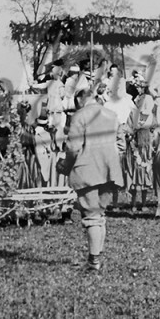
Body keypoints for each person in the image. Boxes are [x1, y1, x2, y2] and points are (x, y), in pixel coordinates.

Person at [62, 84, 123, 271]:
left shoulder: (80, 116)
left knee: (92, 216)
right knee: (100, 214)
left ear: (80, 99)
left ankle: (93, 261)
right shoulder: (111, 115)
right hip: (110, 170)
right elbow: (121, 145)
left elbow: (73, 147)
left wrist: (65, 166)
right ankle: (96, 257)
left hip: (88, 169)